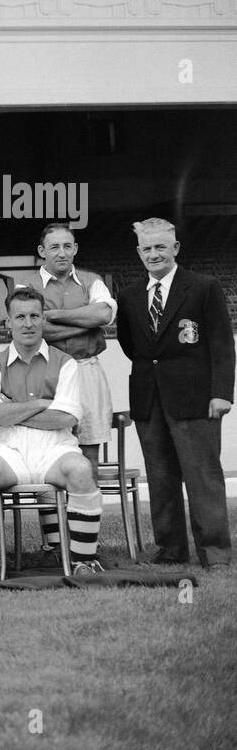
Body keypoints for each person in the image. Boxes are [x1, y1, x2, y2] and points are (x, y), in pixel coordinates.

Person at [117, 217, 234, 568]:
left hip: (196, 399)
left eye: (160, 247)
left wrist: (222, 393)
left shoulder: (203, 287)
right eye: (147, 248)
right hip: (149, 400)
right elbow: (131, 345)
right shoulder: (129, 295)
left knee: (202, 477)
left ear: (175, 248)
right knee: (161, 478)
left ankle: (214, 553)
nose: (154, 254)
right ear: (139, 252)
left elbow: (221, 344)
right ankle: (170, 550)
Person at [0, 288, 105, 578]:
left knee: (81, 471)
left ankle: (83, 561)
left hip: (56, 448)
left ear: (43, 319)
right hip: (9, 449)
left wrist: (15, 411)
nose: (28, 323)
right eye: (20, 317)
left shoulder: (65, 362)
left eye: (34, 316)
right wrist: (42, 404)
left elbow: (66, 417)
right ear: (8, 323)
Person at [11, 223, 117, 467]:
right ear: (42, 250)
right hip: (45, 370)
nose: (61, 253)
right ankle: (54, 506)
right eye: (54, 247)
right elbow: (32, 327)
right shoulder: (26, 285)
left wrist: (54, 314)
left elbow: (102, 315)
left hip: (85, 368)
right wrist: (85, 322)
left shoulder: (92, 280)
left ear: (75, 249)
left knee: (89, 445)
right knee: (48, 446)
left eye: (67, 246)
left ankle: (83, 506)